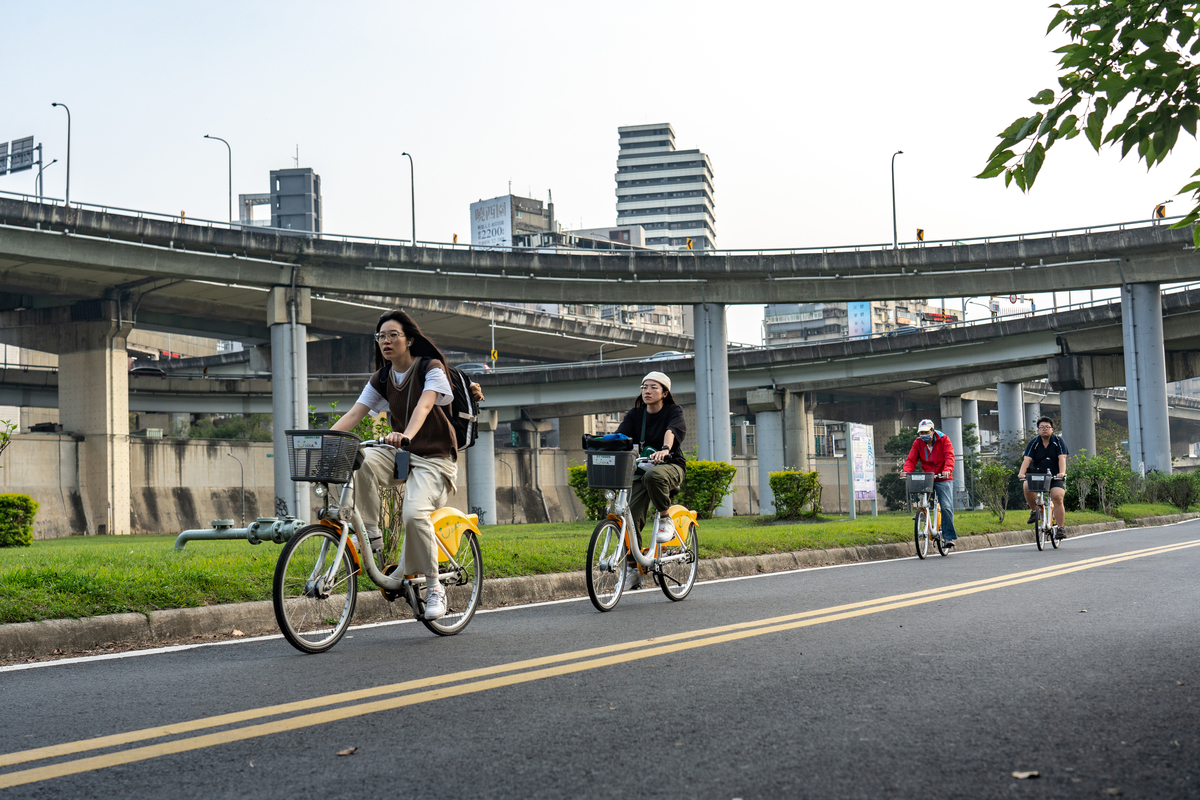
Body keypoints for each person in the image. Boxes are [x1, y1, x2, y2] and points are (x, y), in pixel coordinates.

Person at [331, 309, 481, 620]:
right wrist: (322, 439)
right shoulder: (382, 377)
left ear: (409, 339)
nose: (386, 341)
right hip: (402, 455)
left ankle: (435, 587)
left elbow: (425, 406)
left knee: (414, 515)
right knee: (361, 460)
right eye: (381, 336)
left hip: (436, 460)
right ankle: (371, 533)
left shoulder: (431, 368)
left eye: (392, 335)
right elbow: (355, 414)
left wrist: (406, 435)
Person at [614, 371, 687, 588]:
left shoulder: (674, 411)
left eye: (653, 387)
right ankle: (632, 568)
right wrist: (600, 448)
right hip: (641, 470)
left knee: (654, 475)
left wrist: (665, 449)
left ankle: (665, 518)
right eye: (644, 387)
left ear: (665, 392)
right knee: (629, 519)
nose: (647, 391)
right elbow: (621, 438)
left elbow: (671, 431)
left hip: (670, 466)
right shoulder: (635, 415)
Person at [902, 419, 958, 547]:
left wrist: (947, 470)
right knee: (916, 489)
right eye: (921, 432)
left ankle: (948, 537)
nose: (923, 435)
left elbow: (949, 456)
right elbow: (911, 459)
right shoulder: (918, 442)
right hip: (927, 476)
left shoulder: (944, 439)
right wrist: (906, 471)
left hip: (943, 476)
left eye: (926, 432)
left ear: (932, 431)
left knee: (946, 507)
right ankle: (922, 513)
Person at [1018, 416, 1069, 538]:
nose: (1044, 429)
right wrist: (1021, 473)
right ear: (1038, 430)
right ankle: (1035, 511)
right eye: (1042, 427)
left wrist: (1061, 473)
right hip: (1039, 475)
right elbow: (1027, 460)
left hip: (1055, 476)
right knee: (1026, 485)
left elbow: (1062, 458)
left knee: (1057, 497)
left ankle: (1061, 528)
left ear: (1052, 429)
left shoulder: (1058, 441)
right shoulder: (1034, 443)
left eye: (1047, 427)